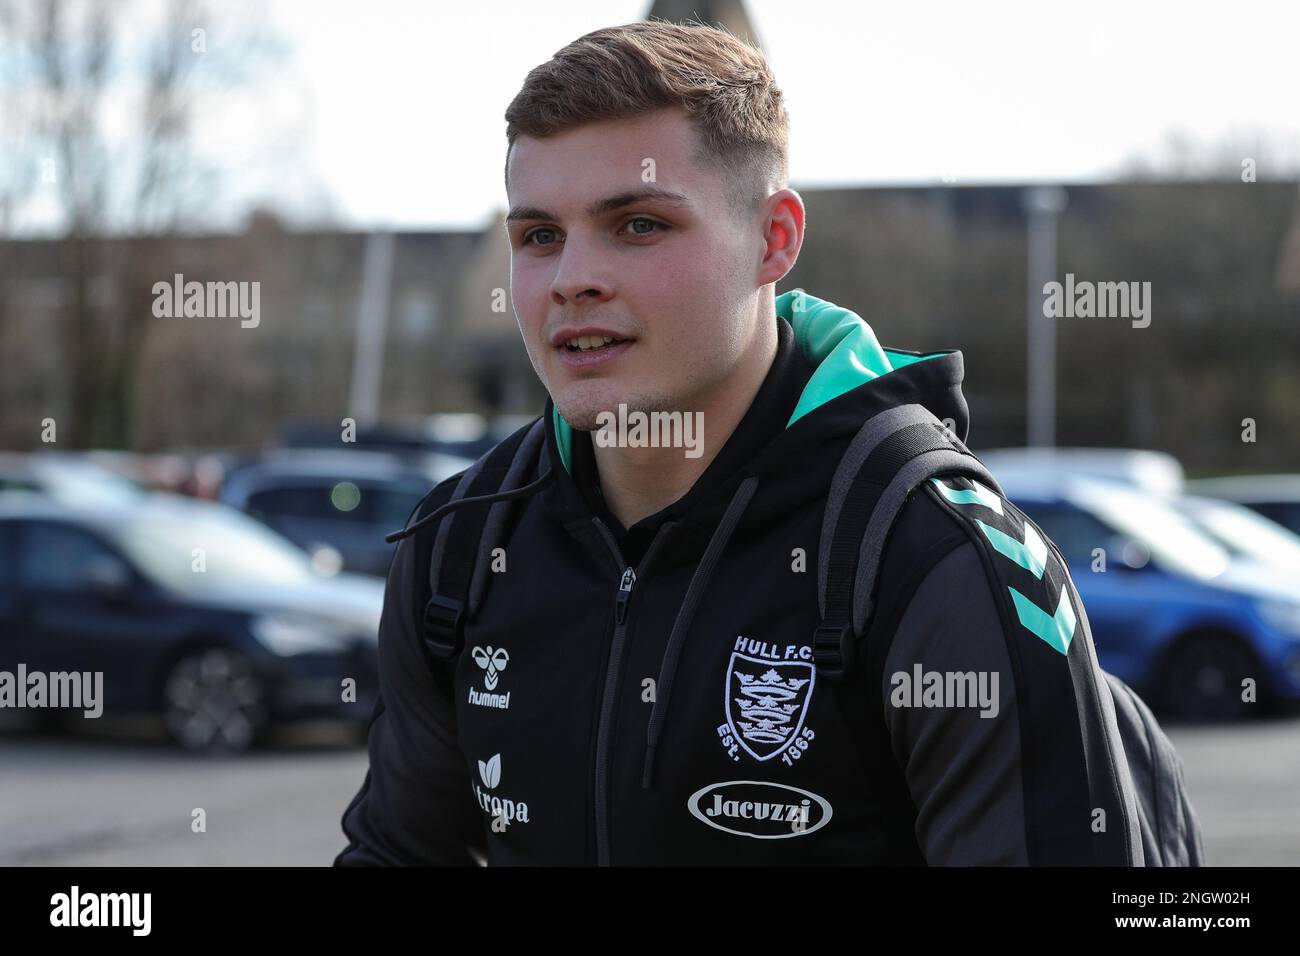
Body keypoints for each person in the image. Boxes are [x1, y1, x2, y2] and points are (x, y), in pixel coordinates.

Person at [334, 19, 1143, 866]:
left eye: (638, 224)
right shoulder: (460, 546)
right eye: (540, 235)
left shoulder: (939, 560)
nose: (572, 278)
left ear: (775, 239)